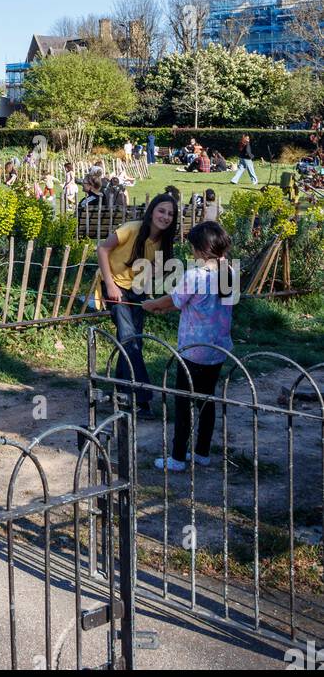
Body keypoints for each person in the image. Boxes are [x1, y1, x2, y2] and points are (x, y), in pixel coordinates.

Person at [141, 221, 233, 470]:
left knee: (183, 402)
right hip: (218, 349)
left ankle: (178, 458)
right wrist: (166, 307)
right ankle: (202, 453)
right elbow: (188, 302)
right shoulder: (229, 273)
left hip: (193, 351)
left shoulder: (195, 275)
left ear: (202, 249)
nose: (191, 252)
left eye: (193, 247)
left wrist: (151, 305)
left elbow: (174, 299)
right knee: (206, 400)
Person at [97, 193, 179, 414]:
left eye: (170, 213)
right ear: (152, 210)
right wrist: (111, 285)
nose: (165, 216)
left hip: (137, 290)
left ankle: (120, 395)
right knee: (129, 338)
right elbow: (102, 249)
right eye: (162, 210)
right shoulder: (132, 228)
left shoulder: (163, 241)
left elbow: (152, 272)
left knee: (134, 343)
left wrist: (157, 300)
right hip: (114, 287)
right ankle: (143, 399)